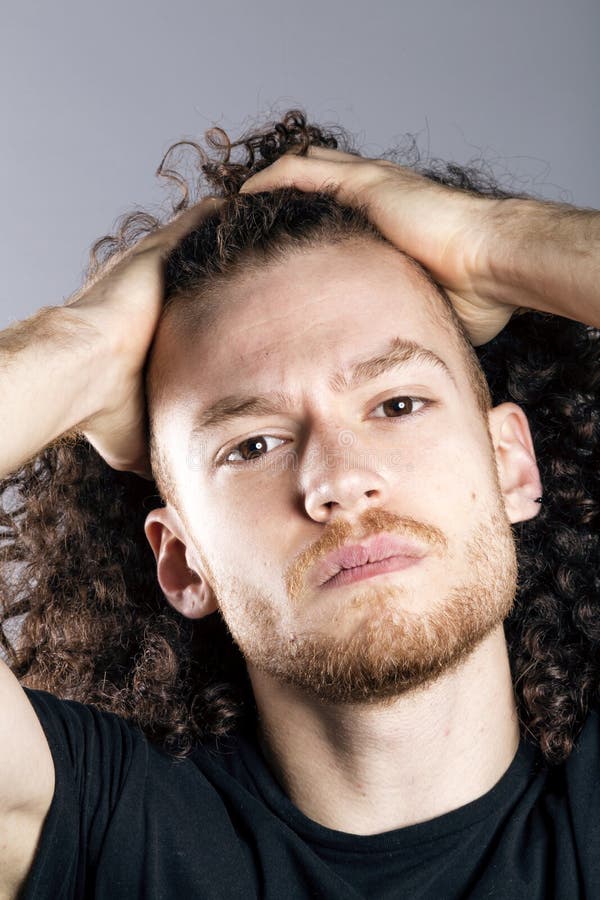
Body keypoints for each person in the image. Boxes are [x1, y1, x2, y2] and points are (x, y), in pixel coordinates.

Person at [0, 108, 599, 898]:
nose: (341, 481)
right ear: (182, 561)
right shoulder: (97, 828)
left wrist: (492, 244)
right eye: (251, 446)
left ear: (510, 463)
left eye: (397, 405)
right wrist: (82, 347)